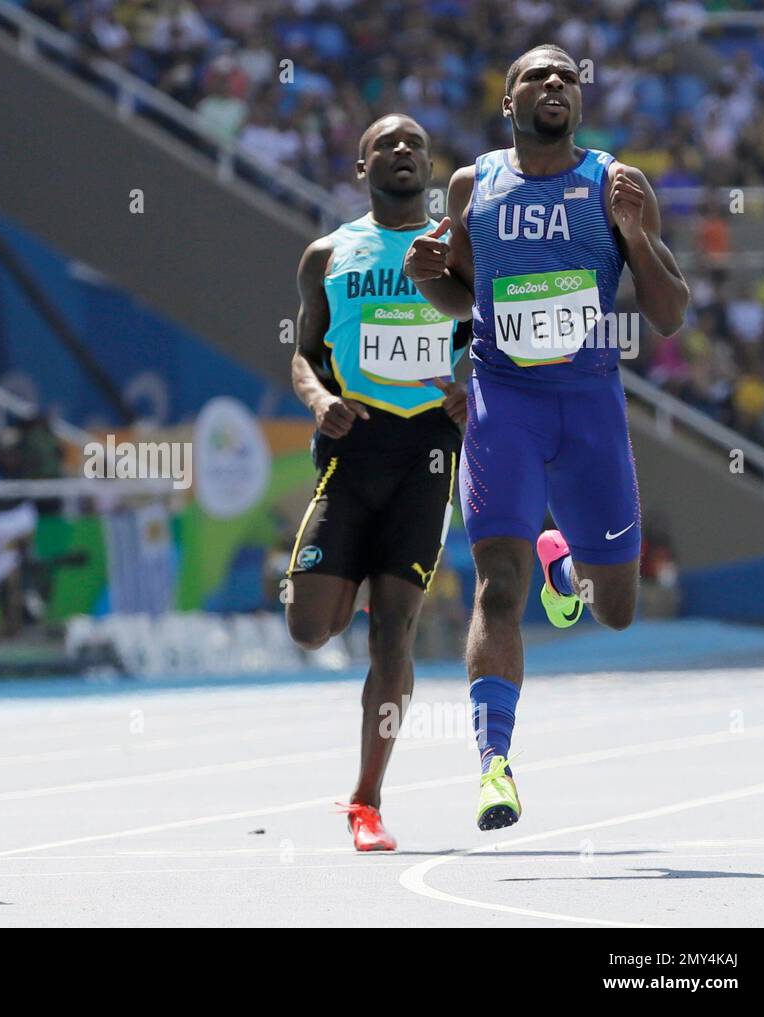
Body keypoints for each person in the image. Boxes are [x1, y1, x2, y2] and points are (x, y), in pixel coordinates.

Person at [404, 44, 689, 830]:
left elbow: (668, 314)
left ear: (580, 98)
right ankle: (495, 762)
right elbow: (460, 299)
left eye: (567, 74)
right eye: (537, 74)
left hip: (590, 404)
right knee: (498, 579)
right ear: (510, 100)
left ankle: (567, 566)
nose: (555, 83)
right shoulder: (474, 185)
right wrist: (428, 274)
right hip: (505, 403)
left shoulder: (617, 185)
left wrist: (635, 235)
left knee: (619, 609)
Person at [287, 114, 469, 851]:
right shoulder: (327, 254)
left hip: (427, 451)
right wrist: (320, 400)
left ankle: (368, 800)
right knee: (310, 628)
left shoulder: (462, 251)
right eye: (385, 145)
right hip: (352, 446)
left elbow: (495, 337)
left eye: (415, 146)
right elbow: (302, 354)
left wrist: (472, 383)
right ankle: (348, 583)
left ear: (429, 167)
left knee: (396, 631)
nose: (403, 152)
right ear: (362, 169)